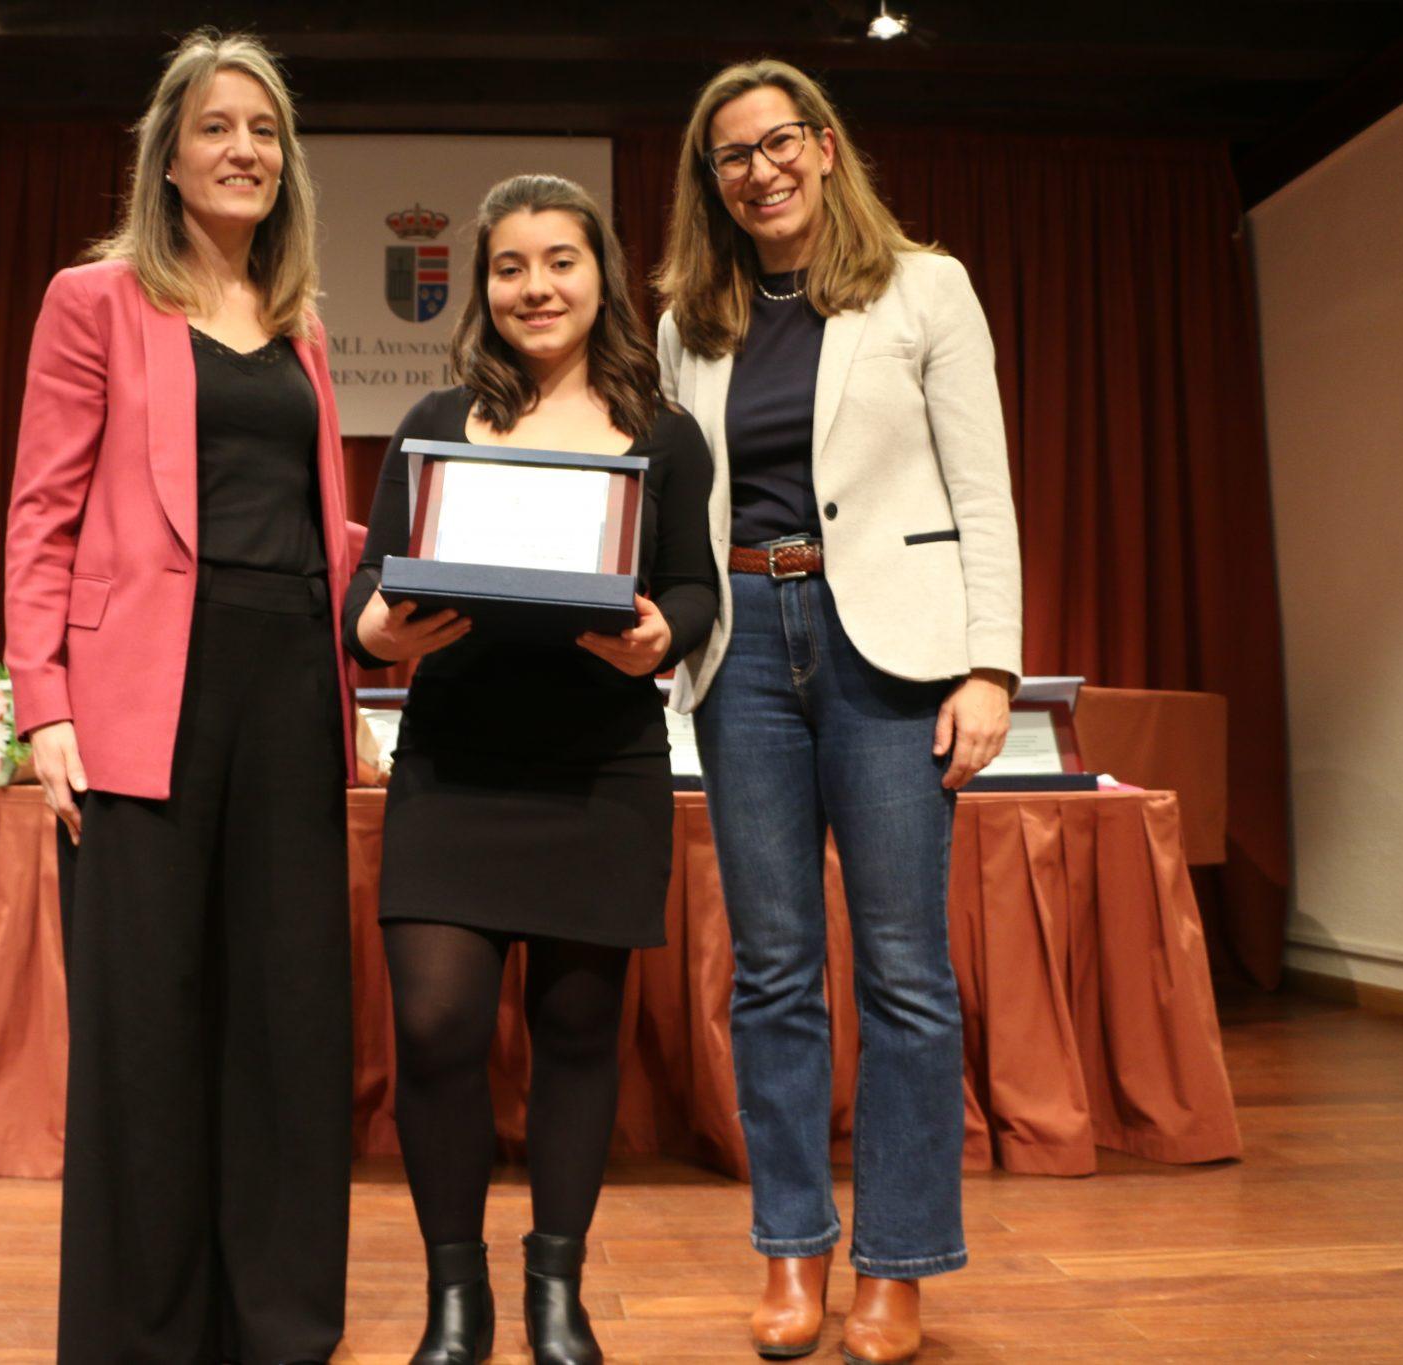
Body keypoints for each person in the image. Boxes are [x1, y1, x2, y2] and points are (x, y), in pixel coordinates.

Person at [654, 59, 1023, 1365]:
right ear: (713, 181)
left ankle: (900, 1265)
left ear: (822, 146)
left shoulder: (927, 286)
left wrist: (992, 667)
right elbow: (677, 509)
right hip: (744, 648)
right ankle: (793, 1250)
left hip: (892, 655)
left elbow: (982, 490)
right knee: (772, 974)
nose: (758, 171)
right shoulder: (688, 320)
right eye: (729, 157)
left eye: (775, 144)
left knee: (907, 973)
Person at [3, 28, 357, 1364]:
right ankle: (140, 1329)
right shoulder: (93, 301)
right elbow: (40, 515)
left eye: (265, 131)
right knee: (145, 1022)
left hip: (288, 689)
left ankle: (275, 1318)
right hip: (143, 694)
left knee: (284, 1013)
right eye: (218, 126)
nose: (246, 150)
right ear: (168, 151)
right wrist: (46, 705)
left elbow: (319, 531)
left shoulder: (304, 328)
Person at [342, 173, 718, 1365]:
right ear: (482, 285)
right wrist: (376, 635)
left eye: (559, 260)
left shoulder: (662, 431)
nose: (535, 286)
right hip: (452, 763)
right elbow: (368, 589)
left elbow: (697, 586)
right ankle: (456, 1298)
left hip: (597, 767)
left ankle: (555, 1289)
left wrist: (671, 631)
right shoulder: (435, 423)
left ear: (601, 273)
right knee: (441, 1027)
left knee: (574, 1032)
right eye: (510, 266)